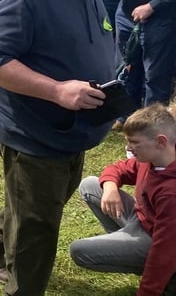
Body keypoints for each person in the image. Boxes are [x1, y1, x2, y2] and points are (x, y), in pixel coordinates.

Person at [0, 0, 139, 295]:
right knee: (38, 227)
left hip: (71, 129)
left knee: (41, 203)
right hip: (34, 131)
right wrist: (58, 90)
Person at [69, 103, 176, 296]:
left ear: (161, 142)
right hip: (144, 221)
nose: (129, 148)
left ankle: (169, 279)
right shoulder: (155, 158)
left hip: (158, 239)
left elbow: (165, 249)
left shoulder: (171, 194)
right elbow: (119, 168)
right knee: (90, 185)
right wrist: (110, 187)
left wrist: (148, 291)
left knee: (79, 251)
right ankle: (126, 247)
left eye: (135, 142)